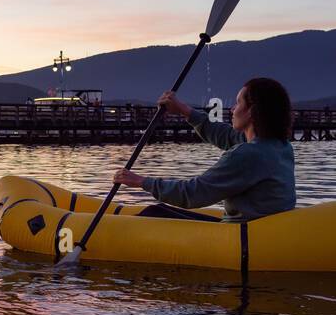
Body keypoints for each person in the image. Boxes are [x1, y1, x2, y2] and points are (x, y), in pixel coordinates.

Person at [113, 77, 296, 222]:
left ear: (251, 111)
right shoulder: (280, 146)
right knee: (158, 210)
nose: (232, 109)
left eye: (238, 103)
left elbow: (194, 193)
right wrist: (184, 110)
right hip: (261, 228)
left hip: (241, 234)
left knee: (153, 212)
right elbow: (226, 136)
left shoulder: (248, 154)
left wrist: (141, 181)